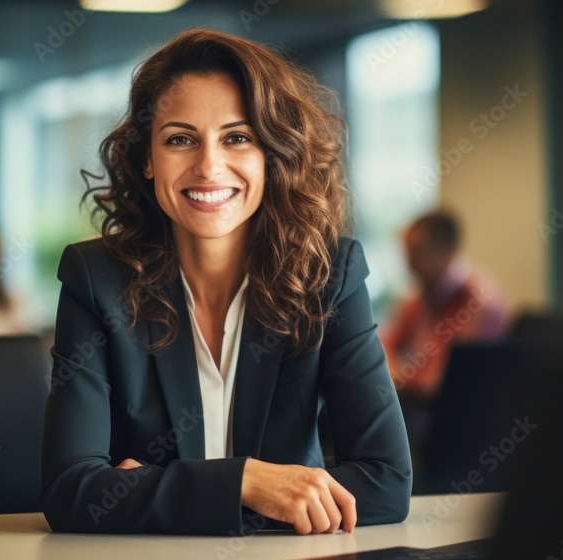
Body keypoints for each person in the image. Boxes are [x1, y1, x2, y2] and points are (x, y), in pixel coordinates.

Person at [41, 28, 412, 536]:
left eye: (237, 137)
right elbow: (71, 493)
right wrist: (248, 481)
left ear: (271, 154)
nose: (209, 166)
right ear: (147, 157)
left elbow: (386, 484)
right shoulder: (95, 280)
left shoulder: (331, 273)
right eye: (180, 139)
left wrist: (152, 488)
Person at [381, 210, 507, 401]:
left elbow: (436, 385)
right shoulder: (423, 293)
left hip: (457, 416)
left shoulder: (478, 304)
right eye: (408, 254)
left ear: (445, 251)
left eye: (416, 253)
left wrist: (391, 373)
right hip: (422, 408)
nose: (409, 264)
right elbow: (383, 345)